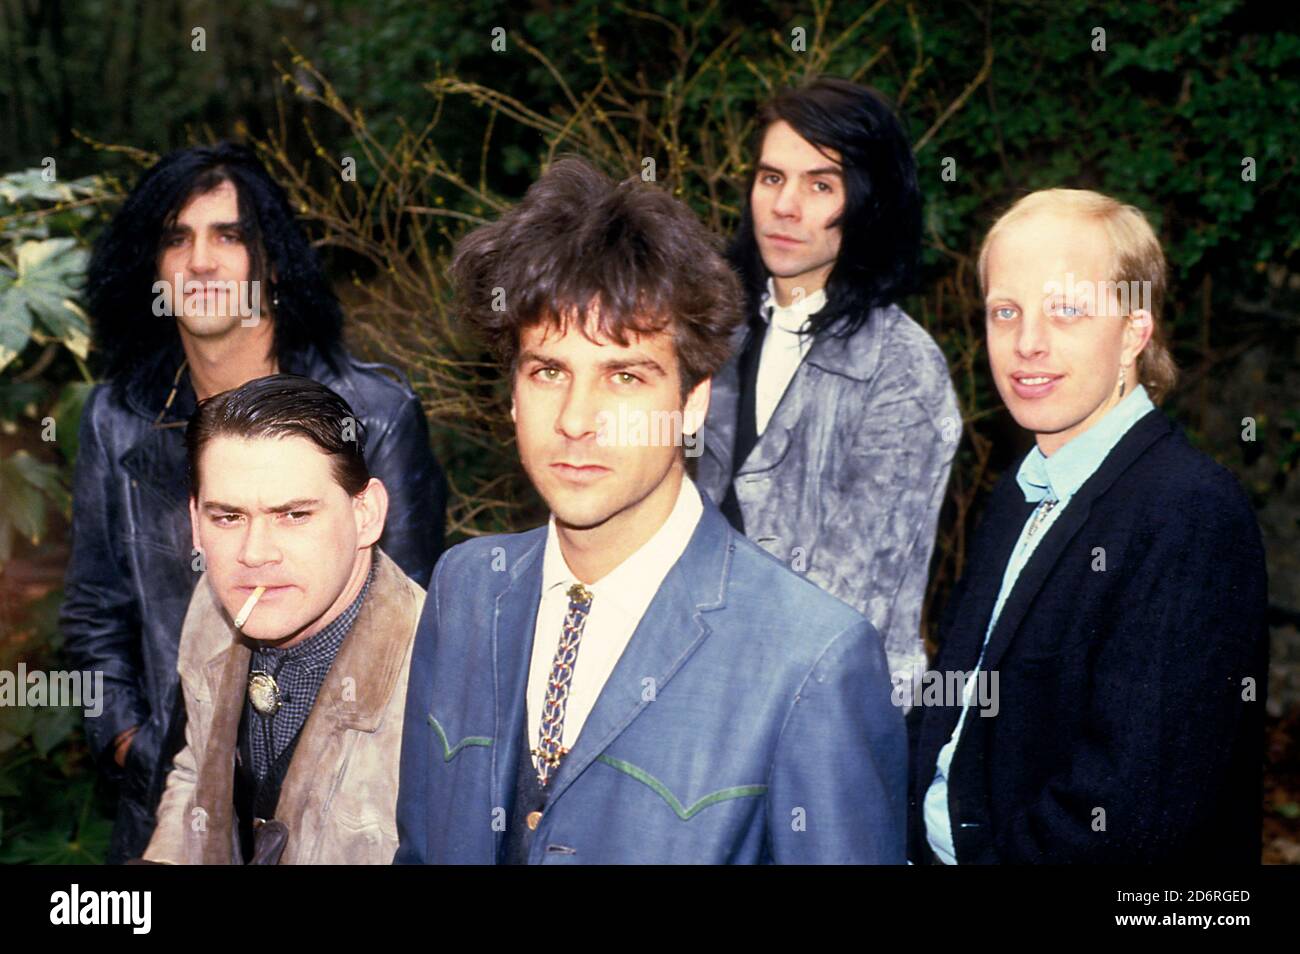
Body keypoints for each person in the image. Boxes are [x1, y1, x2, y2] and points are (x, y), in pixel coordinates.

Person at [394, 157, 905, 865]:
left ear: (692, 402)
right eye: (549, 371)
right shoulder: (465, 590)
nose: (576, 419)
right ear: (512, 393)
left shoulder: (812, 660)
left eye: (624, 376)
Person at [60, 142, 447, 863]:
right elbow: (93, 610)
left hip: (350, 810)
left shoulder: (375, 413)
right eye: (176, 238)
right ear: (149, 265)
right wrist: (135, 744)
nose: (201, 261)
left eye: (229, 236)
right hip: (173, 805)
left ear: (272, 258)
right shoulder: (118, 419)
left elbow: (414, 626)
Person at [908, 188, 1270, 864]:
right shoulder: (1023, 490)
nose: (1027, 344)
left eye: (1067, 311)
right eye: (1005, 311)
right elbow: (953, 710)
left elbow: (1131, 816)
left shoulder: (1188, 513)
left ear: (1134, 333)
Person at [697, 78, 959, 695]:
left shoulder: (901, 368)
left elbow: (851, 597)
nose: (785, 206)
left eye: (820, 185)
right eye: (771, 178)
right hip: (691, 691)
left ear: (869, 202)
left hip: (825, 710)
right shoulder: (708, 332)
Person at [144, 375, 425, 864]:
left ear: (366, 515)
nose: (254, 554)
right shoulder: (212, 607)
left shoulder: (438, 681)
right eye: (228, 518)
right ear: (195, 523)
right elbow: (197, 772)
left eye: (294, 515)